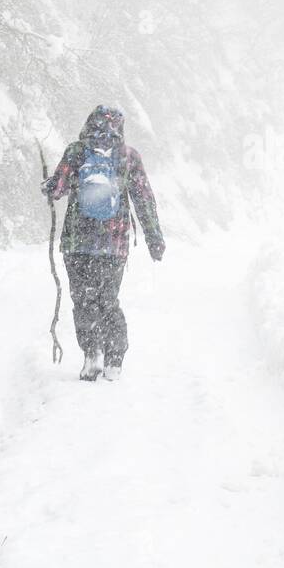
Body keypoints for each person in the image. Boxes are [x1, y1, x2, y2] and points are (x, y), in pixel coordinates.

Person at [42, 105, 165, 381]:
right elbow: (143, 199)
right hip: (113, 245)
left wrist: (48, 185)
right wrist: (154, 237)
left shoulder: (76, 151)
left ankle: (92, 352)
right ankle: (115, 360)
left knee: (83, 299)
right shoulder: (128, 156)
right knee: (108, 299)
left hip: (77, 243)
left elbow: (58, 188)